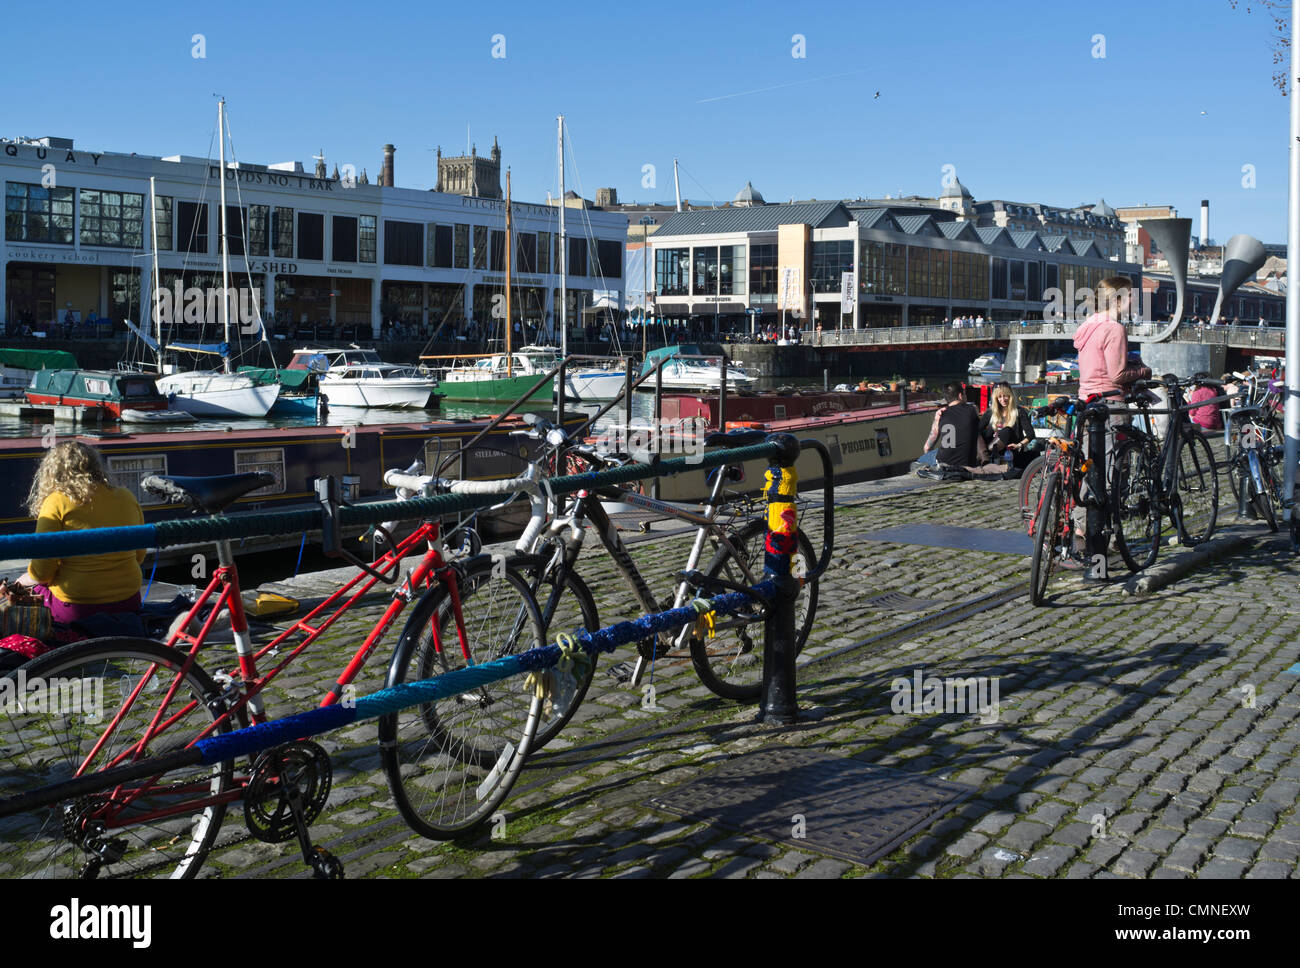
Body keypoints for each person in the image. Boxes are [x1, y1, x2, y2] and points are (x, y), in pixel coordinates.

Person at [20, 441, 146, 627]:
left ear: (52, 472)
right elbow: (139, 555)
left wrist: (23, 581)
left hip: (78, 607)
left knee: (24, 594)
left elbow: (43, 572)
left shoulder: (56, 502)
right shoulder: (126, 497)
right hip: (128, 601)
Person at [923, 381, 988, 470]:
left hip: (944, 463)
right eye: (965, 394)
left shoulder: (940, 414)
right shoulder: (973, 409)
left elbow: (927, 447)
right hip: (968, 462)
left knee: (920, 460)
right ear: (960, 396)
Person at [980, 381, 1037, 473]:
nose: (1003, 399)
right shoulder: (990, 412)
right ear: (996, 398)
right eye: (999, 397)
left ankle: (989, 456)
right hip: (991, 450)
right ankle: (986, 457)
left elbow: (1031, 434)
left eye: (1005, 396)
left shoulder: (1019, 412)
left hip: (1011, 451)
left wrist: (1019, 445)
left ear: (1010, 396)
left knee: (1006, 431)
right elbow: (977, 430)